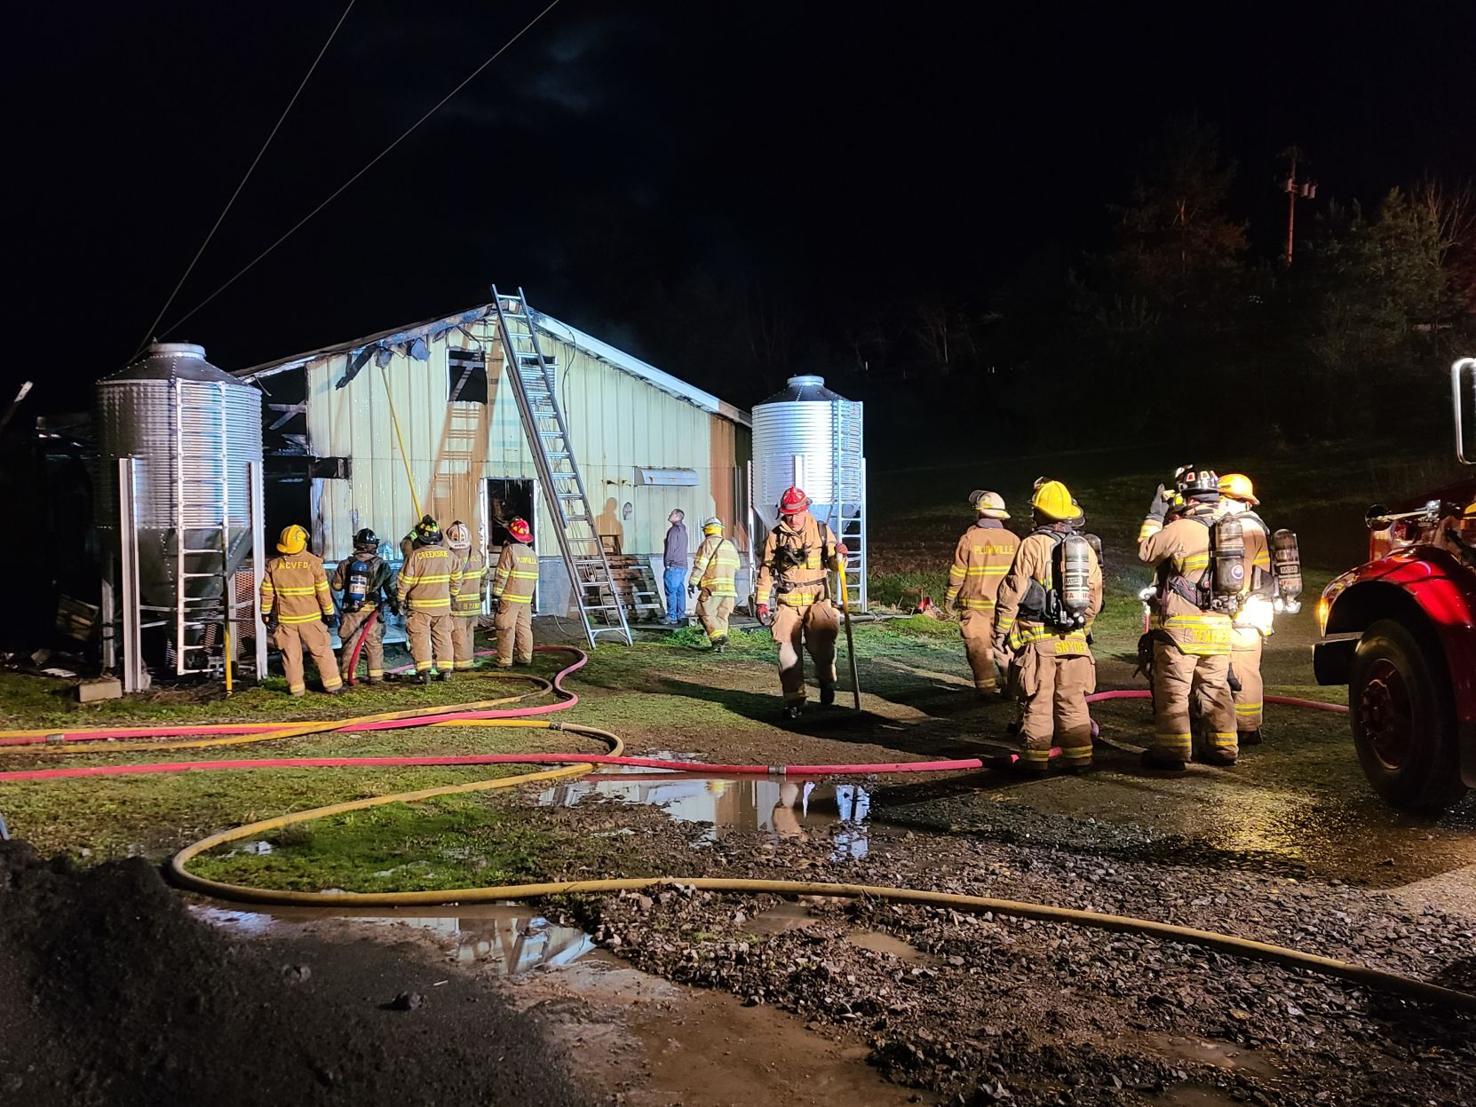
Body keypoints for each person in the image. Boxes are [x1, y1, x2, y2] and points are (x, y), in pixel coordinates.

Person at [992, 481, 1102, 773]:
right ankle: (1080, 759)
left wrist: (1001, 631)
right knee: (1073, 702)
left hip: (1038, 644)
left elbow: (1013, 588)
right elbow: (1095, 595)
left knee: (1038, 702)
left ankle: (1034, 762)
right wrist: (1083, 628)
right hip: (1076, 642)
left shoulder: (1032, 544)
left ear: (1040, 513)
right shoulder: (1085, 549)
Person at [1137, 467, 1237, 769]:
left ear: (1187, 497)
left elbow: (1146, 551)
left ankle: (1173, 752)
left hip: (1182, 629)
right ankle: (1224, 748)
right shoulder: (1229, 530)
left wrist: (1156, 515)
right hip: (1220, 626)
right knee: (1216, 689)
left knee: (1173, 691)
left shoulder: (1182, 529)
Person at [754, 486, 848, 719]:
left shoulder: (822, 531)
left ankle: (827, 681)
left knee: (823, 647)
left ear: (806, 509)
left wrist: (840, 555)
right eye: (788, 514)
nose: (793, 518)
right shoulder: (775, 536)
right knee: (787, 653)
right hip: (788, 602)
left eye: (796, 512)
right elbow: (766, 571)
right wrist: (761, 601)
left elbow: (837, 567)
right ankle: (794, 700)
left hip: (818, 601)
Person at [1215, 474, 1276, 745]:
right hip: (1253, 606)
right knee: (1244, 667)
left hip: (1245, 609)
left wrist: (1230, 604)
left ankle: (1246, 727)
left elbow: (1241, 572)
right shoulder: (1253, 524)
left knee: (1243, 669)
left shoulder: (1243, 528)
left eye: (1219, 498)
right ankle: (1244, 723)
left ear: (1230, 499)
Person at [946, 490, 1020, 696]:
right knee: (1006, 645)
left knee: (979, 648)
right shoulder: (1014, 540)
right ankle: (1012, 686)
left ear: (979, 513)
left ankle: (986, 690)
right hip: (1007, 607)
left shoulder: (969, 538)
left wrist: (950, 596)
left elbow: (958, 572)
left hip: (976, 606)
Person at [260, 524, 342, 696]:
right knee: (321, 651)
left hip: (286, 620)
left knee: (291, 655)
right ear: (303, 543)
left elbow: (267, 592)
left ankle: (296, 689)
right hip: (310, 619)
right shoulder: (313, 563)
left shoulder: (273, 565)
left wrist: (265, 613)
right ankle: (332, 685)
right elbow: (323, 592)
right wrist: (329, 613)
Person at [396, 515, 459, 683]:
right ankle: (445, 670)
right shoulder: (449, 555)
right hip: (443, 606)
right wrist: (453, 594)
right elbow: (456, 578)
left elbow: (404, 581)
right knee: (443, 637)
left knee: (419, 638)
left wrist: (400, 599)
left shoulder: (415, 556)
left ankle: (423, 672)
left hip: (419, 607)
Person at [330, 527, 395, 685]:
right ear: (374, 545)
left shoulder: (346, 563)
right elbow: (391, 588)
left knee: (350, 643)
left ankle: (347, 676)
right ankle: (376, 676)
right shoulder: (382, 564)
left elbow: (336, 586)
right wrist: (395, 603)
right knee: (374, 644)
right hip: (372, 610)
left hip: (351, 610)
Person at [490, 516, 537, 667]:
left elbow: (502, 575)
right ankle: (525, 656)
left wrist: (496, 595)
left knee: (505, 627)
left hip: (510, 598)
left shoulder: (509, 550)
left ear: (510, 535)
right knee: (524, 627)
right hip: (526, 599)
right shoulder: (532, 554)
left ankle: (504, 660)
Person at [687, 516, 740, 650]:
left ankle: (718, 640)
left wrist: (692, 582)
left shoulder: (707, 544)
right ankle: (721, 646)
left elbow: (700, 565)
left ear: (706, 530)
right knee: (722, 616)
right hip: (729, 589)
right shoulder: (729, 545)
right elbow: (737, 566)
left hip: (712, 588)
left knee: (704, 612)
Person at [446, 520, 487, 672]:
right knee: (469, 633)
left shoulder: (450, 557)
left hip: (457, 606)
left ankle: (462, 665)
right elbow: (485, 578)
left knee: (458, 635)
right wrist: (481, 597)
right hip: (474, 604)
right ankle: (468, 661)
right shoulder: (477, 555)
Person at [662, 509, 689, 625]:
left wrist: (667, 563)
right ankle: (681, 615)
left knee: (671, 591)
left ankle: (671, 616)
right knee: (680, 590)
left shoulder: (673, 531)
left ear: (677, 516)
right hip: (682, 565)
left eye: (672, 514)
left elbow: (671, 549)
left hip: (674, 565)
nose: (669, 515)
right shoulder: (683, 530)